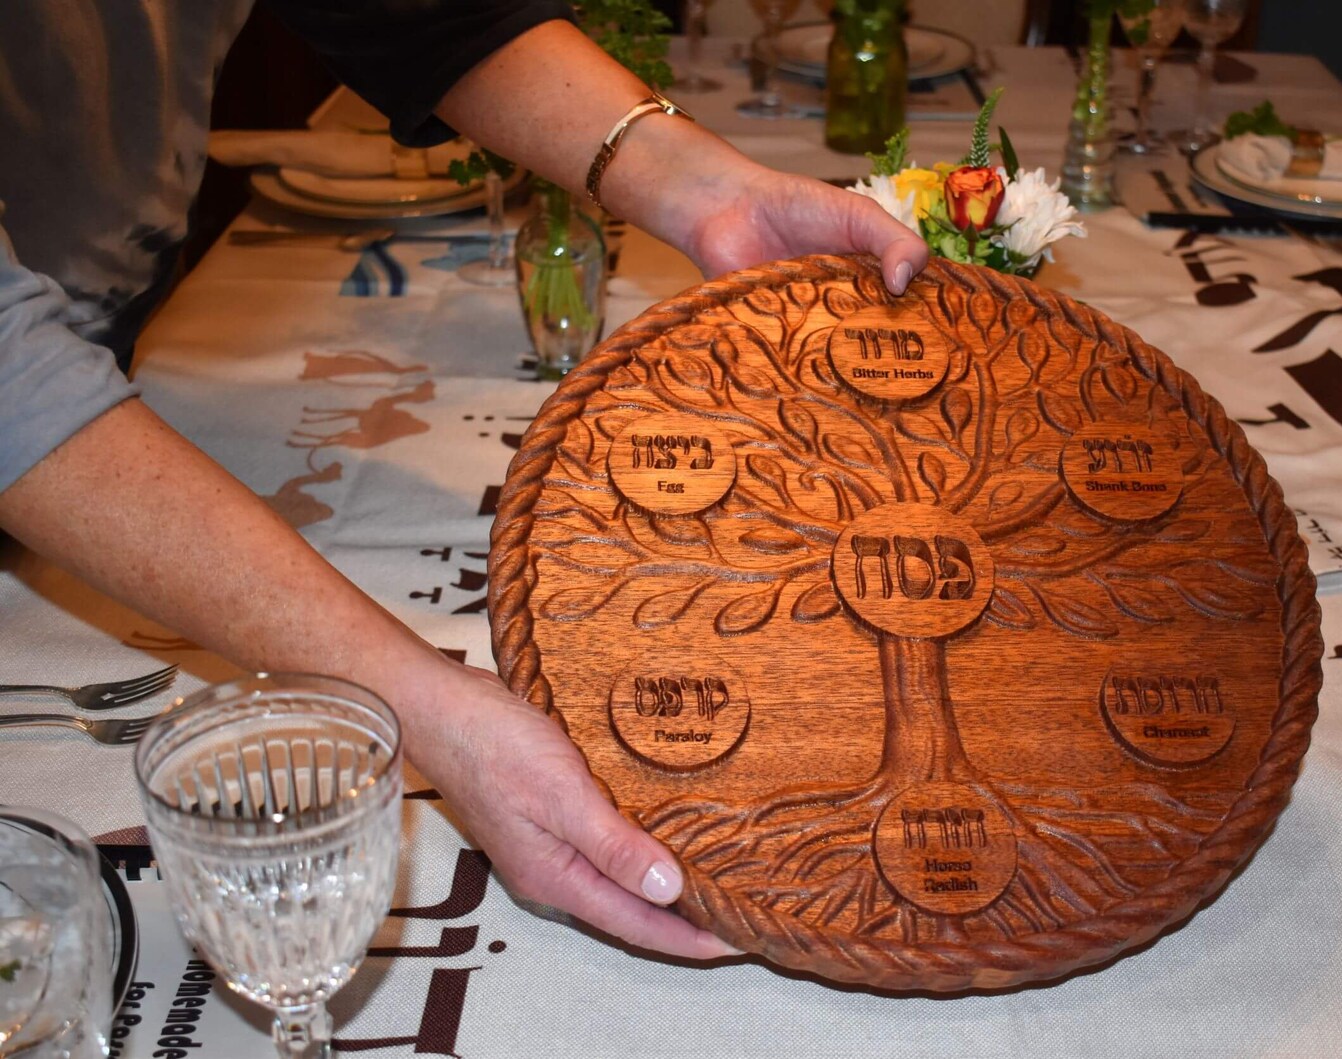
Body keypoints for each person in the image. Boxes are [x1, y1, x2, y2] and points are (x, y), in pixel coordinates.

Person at [0, 1, 927, 961]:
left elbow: (418, 15)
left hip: (99, 305)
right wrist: (426, 710)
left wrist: (705, 189)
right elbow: (9, 382)